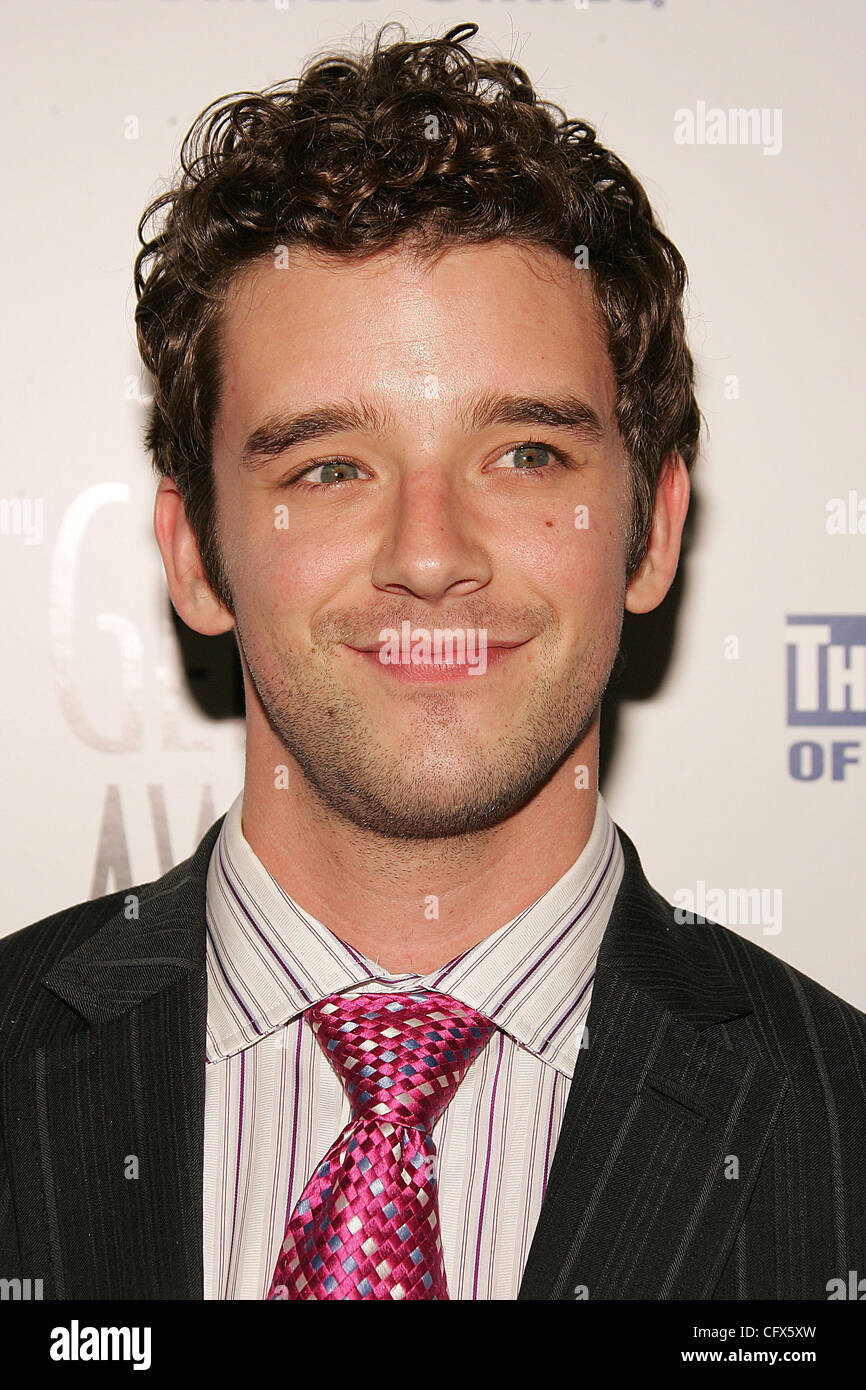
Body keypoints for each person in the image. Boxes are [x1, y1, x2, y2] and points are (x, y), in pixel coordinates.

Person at [1, 21, 863, 1302]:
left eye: (524, 454)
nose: (428, 553)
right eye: (327, 466)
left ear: (652, 528)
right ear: (192, 557)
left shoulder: (840, 1135)